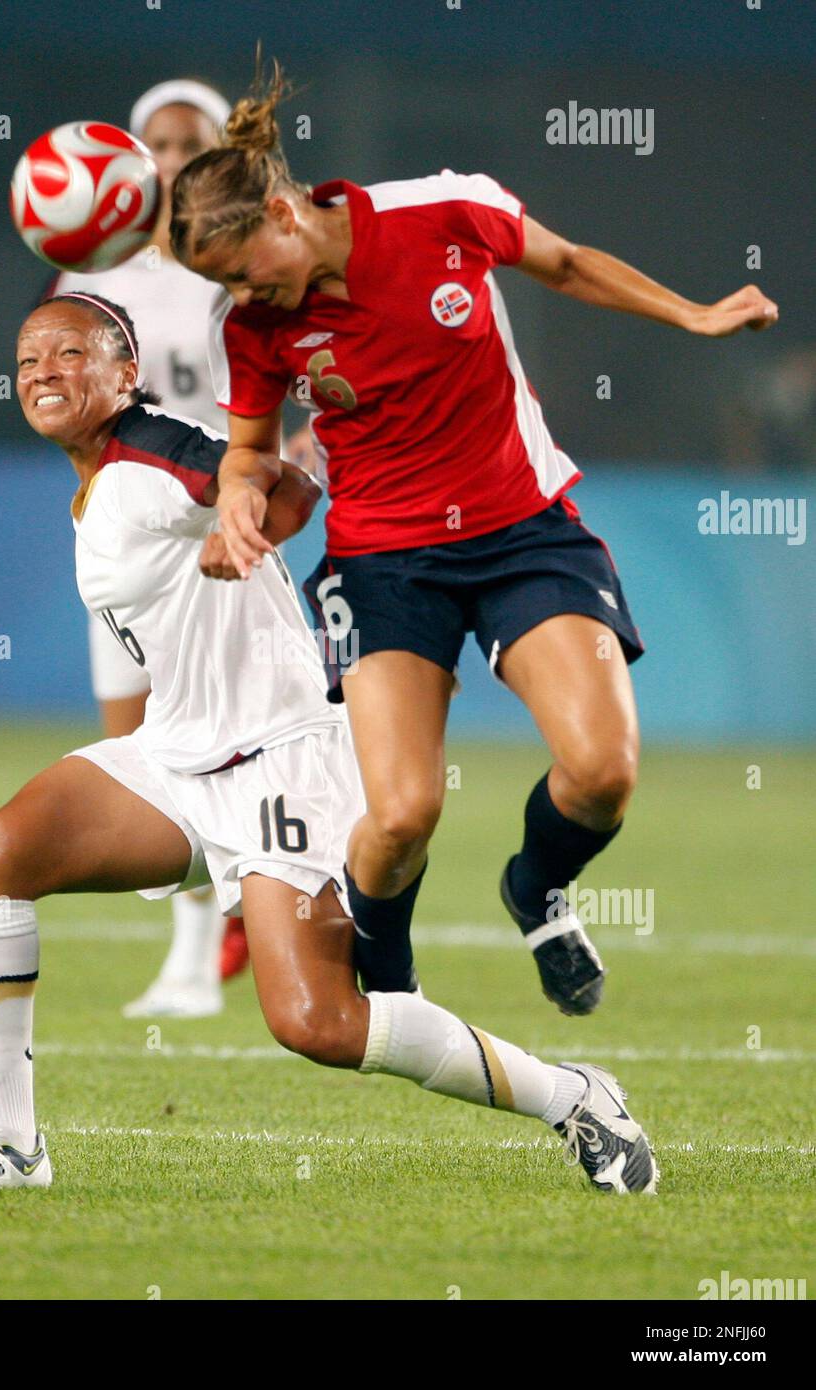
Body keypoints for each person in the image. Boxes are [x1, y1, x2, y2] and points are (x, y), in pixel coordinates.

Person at [0, 293, 657, 1195]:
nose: (44, 373)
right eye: (29, 361)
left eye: (72, 353)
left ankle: (575, 1098)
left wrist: (248, 520)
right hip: (178, 753)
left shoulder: (153, 449)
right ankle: (9, 1147)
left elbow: (285, 487)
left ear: (125, 372)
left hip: (282, 756)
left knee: (320, 1024)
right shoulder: (101, 476)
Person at [169, 58, 779, 1015]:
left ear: (282, 216)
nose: (245, 299)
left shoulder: (441, 211)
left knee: (602, 773)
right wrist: (237, 498)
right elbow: (248, 452)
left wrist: (691, 314)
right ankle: (393, 989)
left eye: (244, 274)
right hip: (380, 562)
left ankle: (534, 887)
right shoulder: (254, 329)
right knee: (403, 813)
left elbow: (567, 264)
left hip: (524, 532)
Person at [49, 78, 247, 1019]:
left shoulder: (234, 267)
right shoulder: (91, 276)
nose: (169, 160)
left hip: (212, 537)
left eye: (187, 143)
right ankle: (213, 920)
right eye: (156, 143)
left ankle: (205, 953)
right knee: (132, 748)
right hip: (122, 535)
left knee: (221, 744)